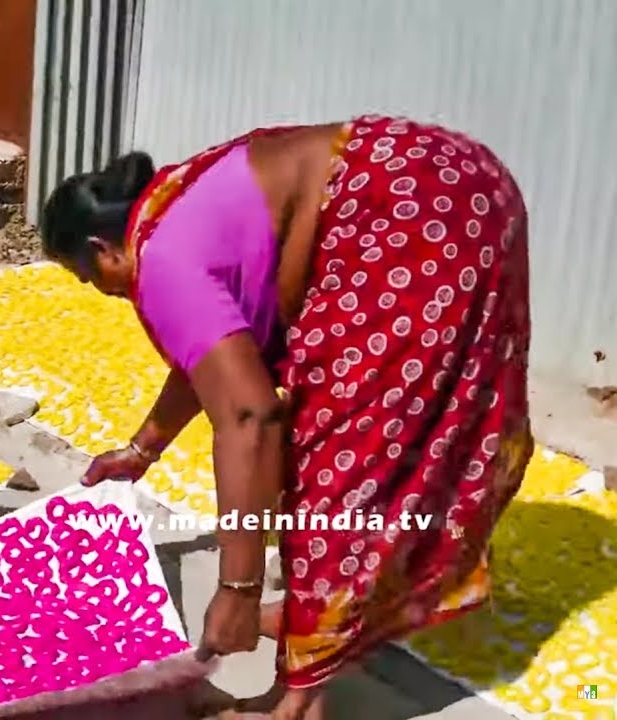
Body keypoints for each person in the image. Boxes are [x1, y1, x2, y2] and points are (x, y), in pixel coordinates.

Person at [39, 114, 531, 719]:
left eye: (89, 278)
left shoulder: (161, 258)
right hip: (465, 183)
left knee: (336, 463)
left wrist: (237, 589)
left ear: (101, 248)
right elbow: (216, 357)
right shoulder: (175, 205)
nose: (103, 290)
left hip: (405, 214)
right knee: (392, 448)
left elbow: (251, 417)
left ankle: (297, 699)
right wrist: (143, 449)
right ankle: (319, 628)